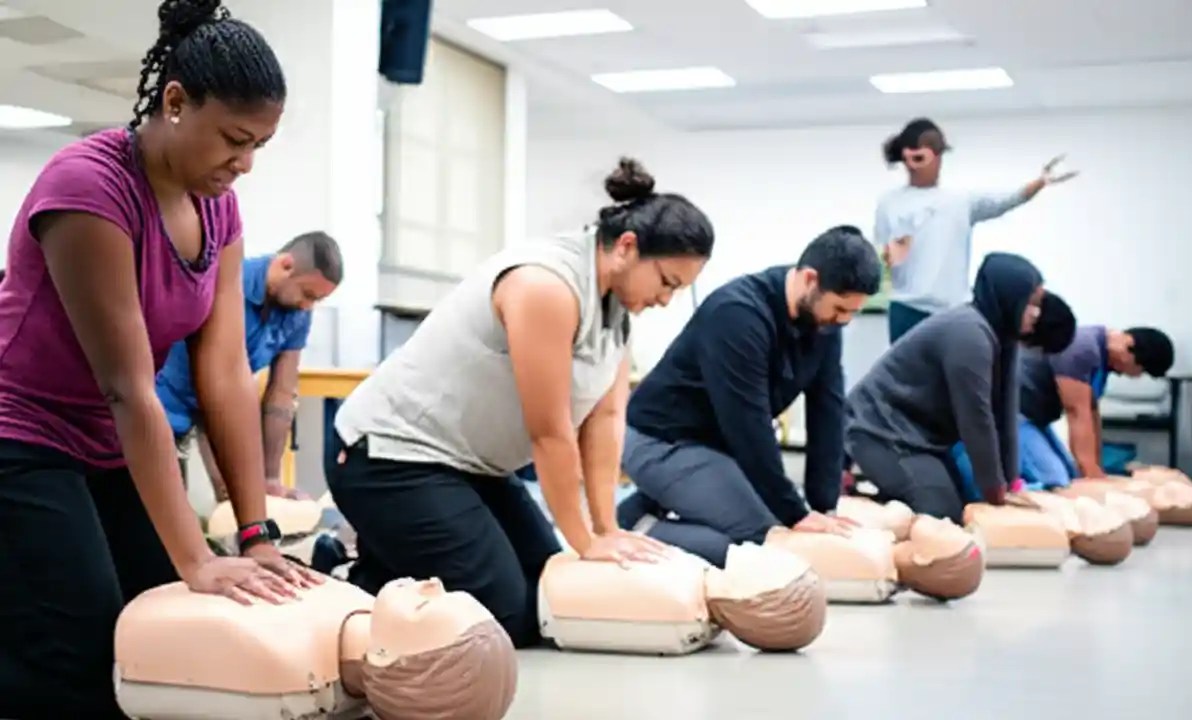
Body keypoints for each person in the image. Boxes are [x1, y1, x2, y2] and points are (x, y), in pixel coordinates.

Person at [0, 3, 321, 717]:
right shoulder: (88, 187)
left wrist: (253, 531)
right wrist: (197, 558)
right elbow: (128, 388)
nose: (243, 164)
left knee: (162, 613)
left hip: (109, 445)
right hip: (22, 434)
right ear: (175, 102)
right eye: (234, 140)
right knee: (79, 636)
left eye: (258, 147)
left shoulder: (219, 208)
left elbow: (226, 375)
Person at [327, 158, 714, 647]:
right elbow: (550, 432)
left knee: (547, 588)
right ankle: (347, 574)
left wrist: (607, 528)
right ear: (628, 247)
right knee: (505, 614)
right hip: (389, 456)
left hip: (472, 466)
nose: (666, 300)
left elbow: (606, 418)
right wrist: (586, 542)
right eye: (667, 283)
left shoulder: (619, 311)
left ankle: (386, 554)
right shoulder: (545, 286)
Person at [616, 226, 881, 567]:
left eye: (851, 314)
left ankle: (650, 504)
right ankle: (639, 526)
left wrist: (824, 506)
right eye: (839, 309)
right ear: (810, 280)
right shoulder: (738, 314)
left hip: (719, 448)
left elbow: (827, 409)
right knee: (767, 540)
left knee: (785, 525)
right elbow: (748, 424)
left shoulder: (824, 323)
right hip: (664, 442)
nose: (842, 321)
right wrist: (794, 515)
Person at [843, 252, 1076, 524]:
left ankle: (885, 499)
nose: (1035, 314)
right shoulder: (969, 334)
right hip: (880, 432)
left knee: (964, 505)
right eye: (1030, 303)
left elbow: (1006, 413)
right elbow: (976, 420)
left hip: (920, 440)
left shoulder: (1005, 337)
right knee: (942, 514)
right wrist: (994, 490)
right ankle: (852, 507)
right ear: (1009, 297)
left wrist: (1012, 482)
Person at [158, 231, 343, 502]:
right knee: (161, 520)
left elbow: (281, 393)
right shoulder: (228, 286)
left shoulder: (297, 313)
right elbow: (215, 393)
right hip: (159, 413)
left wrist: (270, 479)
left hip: (205, 406)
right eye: (307, 294)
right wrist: (231, 489)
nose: (308, 306)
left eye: (317, 300)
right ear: (285, 265)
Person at [875, 117, 1078, 342]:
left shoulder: (959, 201)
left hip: (952, 310)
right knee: (908, 375)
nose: (914, 167)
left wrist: (1041, 182)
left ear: (939, 157)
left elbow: (1007, 199)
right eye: (909, 159)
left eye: (920, 159)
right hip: (907, 307)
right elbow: (884, 254)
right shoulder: (890, 202)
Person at [1015, 325, 1174, 489]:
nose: (1135, 376)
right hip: (1011, 414)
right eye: (1141, 371)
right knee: (1055, 480)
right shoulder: (1083, 348)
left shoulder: (1102, 361)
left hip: (1034, 419)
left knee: (1071, 474)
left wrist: (1095, 470)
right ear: (1130, 350)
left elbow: (1091, 413)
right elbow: (1076, 412)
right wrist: (1091, 474)